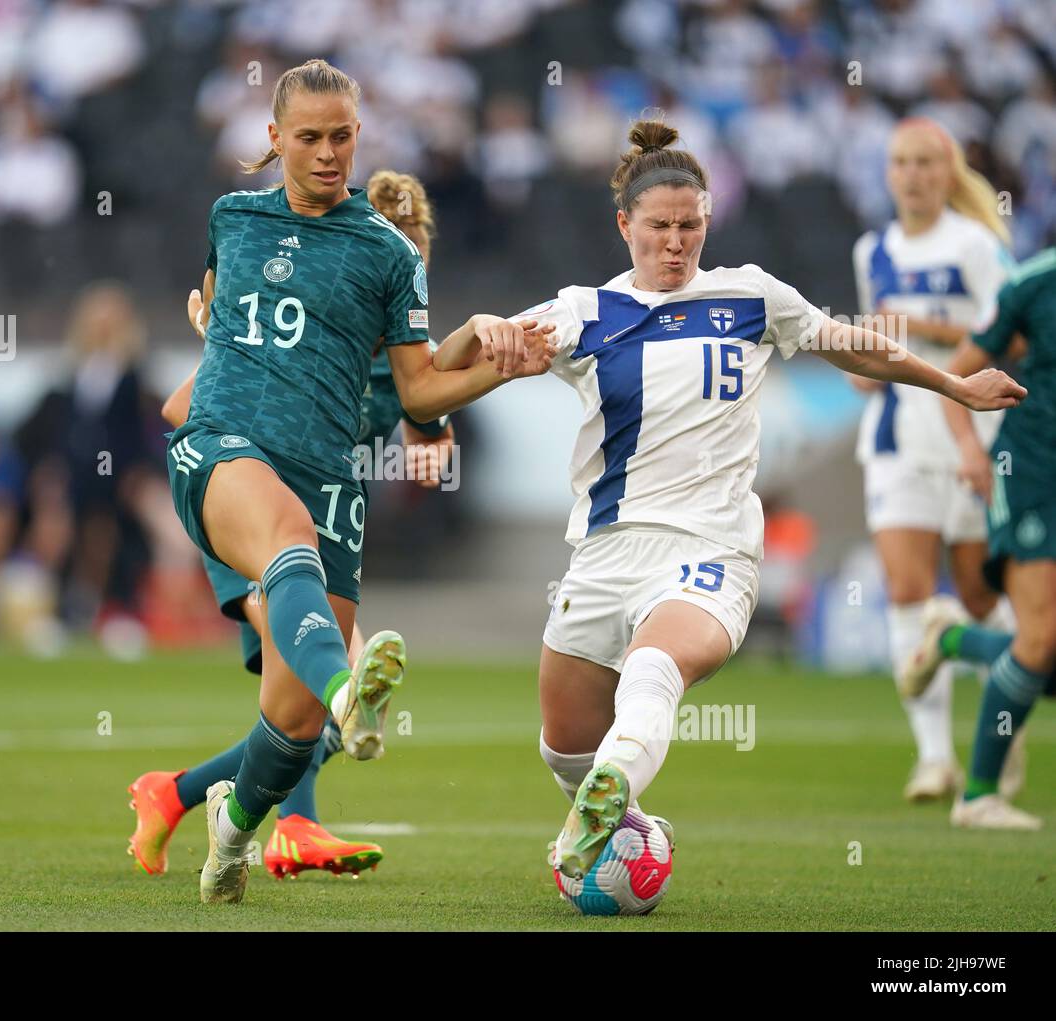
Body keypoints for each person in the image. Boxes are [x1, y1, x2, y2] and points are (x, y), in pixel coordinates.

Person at [434, 118, 1025, 889]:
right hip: (606, 552)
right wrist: (476, 327)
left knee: (654, 668)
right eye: (659, 227)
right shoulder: (583, 312)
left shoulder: (750, 295)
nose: (675, 242)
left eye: (690, 225)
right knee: (563, 749)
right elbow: (442, 369)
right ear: (625, 226)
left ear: (707, 222)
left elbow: (853, 341)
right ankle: (623, 819)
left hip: (711, 551)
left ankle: (613, 793)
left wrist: (953, 382)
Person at [134, 59, 554, 905]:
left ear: (359, 136)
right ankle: (348, 690)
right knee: (293, 566)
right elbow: (205, 361)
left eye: (343, 137)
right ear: (275, 138)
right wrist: (216, 336)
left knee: (289, 723)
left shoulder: (390, 256)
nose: (328, 153)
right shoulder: (233, 218)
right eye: (310, 137)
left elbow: (422, 389)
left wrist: (500, 371)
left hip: (330, 483)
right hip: (225, 449)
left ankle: (226, 826)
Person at [128, 169, 456, 880]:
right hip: (248, 516)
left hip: (314, 520)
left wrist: (436, 429)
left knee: (311, 704)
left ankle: (178, 793)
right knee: (334, 679)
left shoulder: (388, 366)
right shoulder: (306, 333)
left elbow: (429, 406)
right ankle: (294, 825)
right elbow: (181, 407)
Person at [851, 117, 1020, 802]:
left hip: (976, 441)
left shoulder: (978, 245)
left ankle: (1002, 735)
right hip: (897, 439)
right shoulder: (873, 252)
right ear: (887, 173)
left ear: (947, 172)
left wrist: (924, 330)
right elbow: (873, 352)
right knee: (904, 592)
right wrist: (863, 367)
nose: (912, 174)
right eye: (900, 162)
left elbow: (1014, 339)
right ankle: (934, 757)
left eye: (925, 162)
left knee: (980, 597)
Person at [900, 246, 1056, 830]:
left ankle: (952, 638)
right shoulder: (1035, 284)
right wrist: (969, 447)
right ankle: (978, 797)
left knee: (1044, 662)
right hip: (1035, 472)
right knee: (1039, 643)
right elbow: (962, 369)